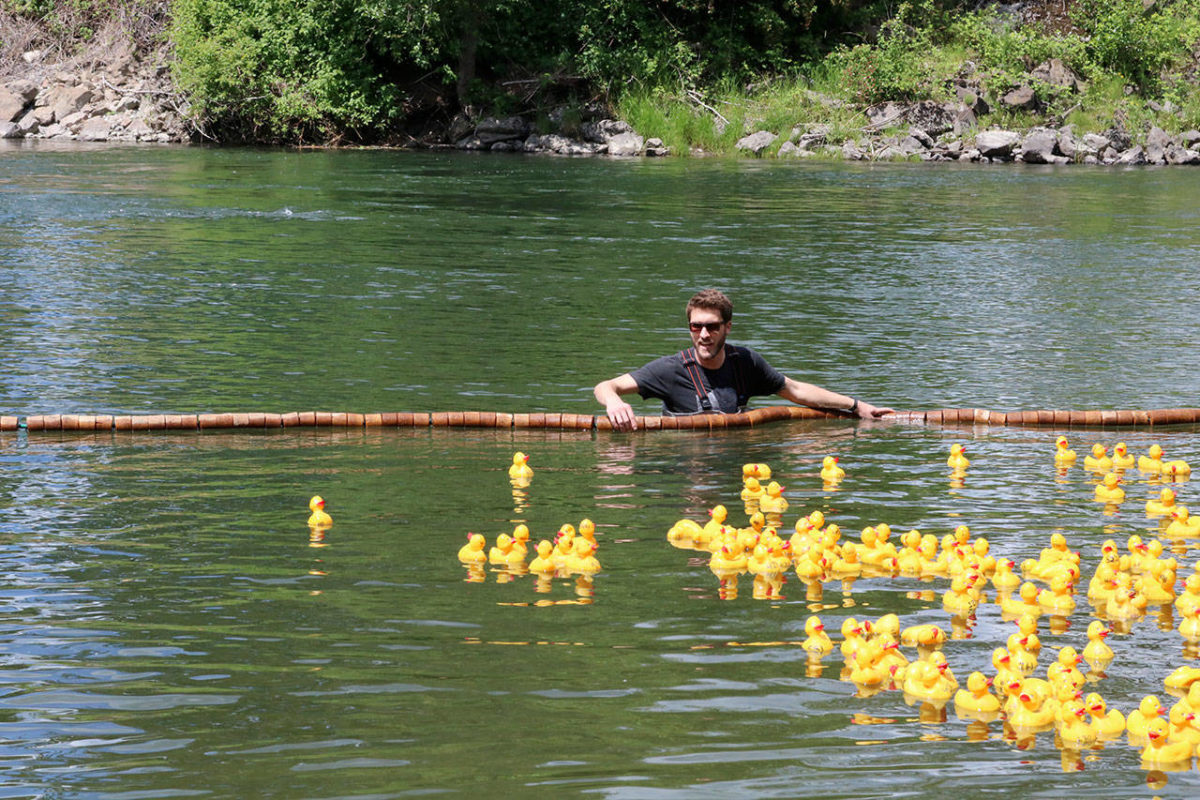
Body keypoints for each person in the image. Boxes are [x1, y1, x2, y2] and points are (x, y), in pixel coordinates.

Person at [593, 289, 893, 431]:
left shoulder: (746, 363)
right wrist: (614, 403)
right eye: (696, 327)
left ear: (727, 327)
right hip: (682, 464)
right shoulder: (670, 370)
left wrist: (856, 406)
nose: (704, 335)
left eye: (712, 326)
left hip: (737, 462)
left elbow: (796, 391)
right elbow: (605, 386)